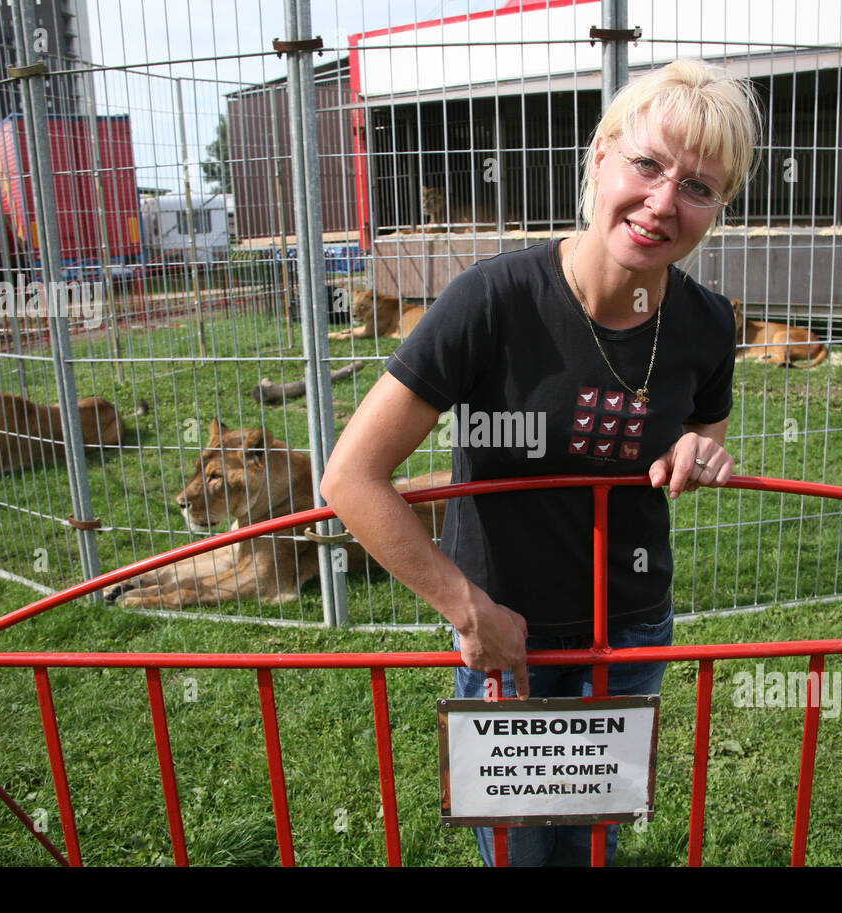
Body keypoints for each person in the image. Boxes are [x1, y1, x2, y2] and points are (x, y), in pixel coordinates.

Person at [320, 59, 760, 866]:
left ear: (719, 209)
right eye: (648, 165)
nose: (664, 204)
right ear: (599, 159)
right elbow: (351, 478)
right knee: (521, 849)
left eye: (699, 188)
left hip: (629, 631)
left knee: (592, 839)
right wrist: (469, 611)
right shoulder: (491, 301)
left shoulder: (705, 324)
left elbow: (699, 434)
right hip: (506, 634)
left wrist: (699, 451)